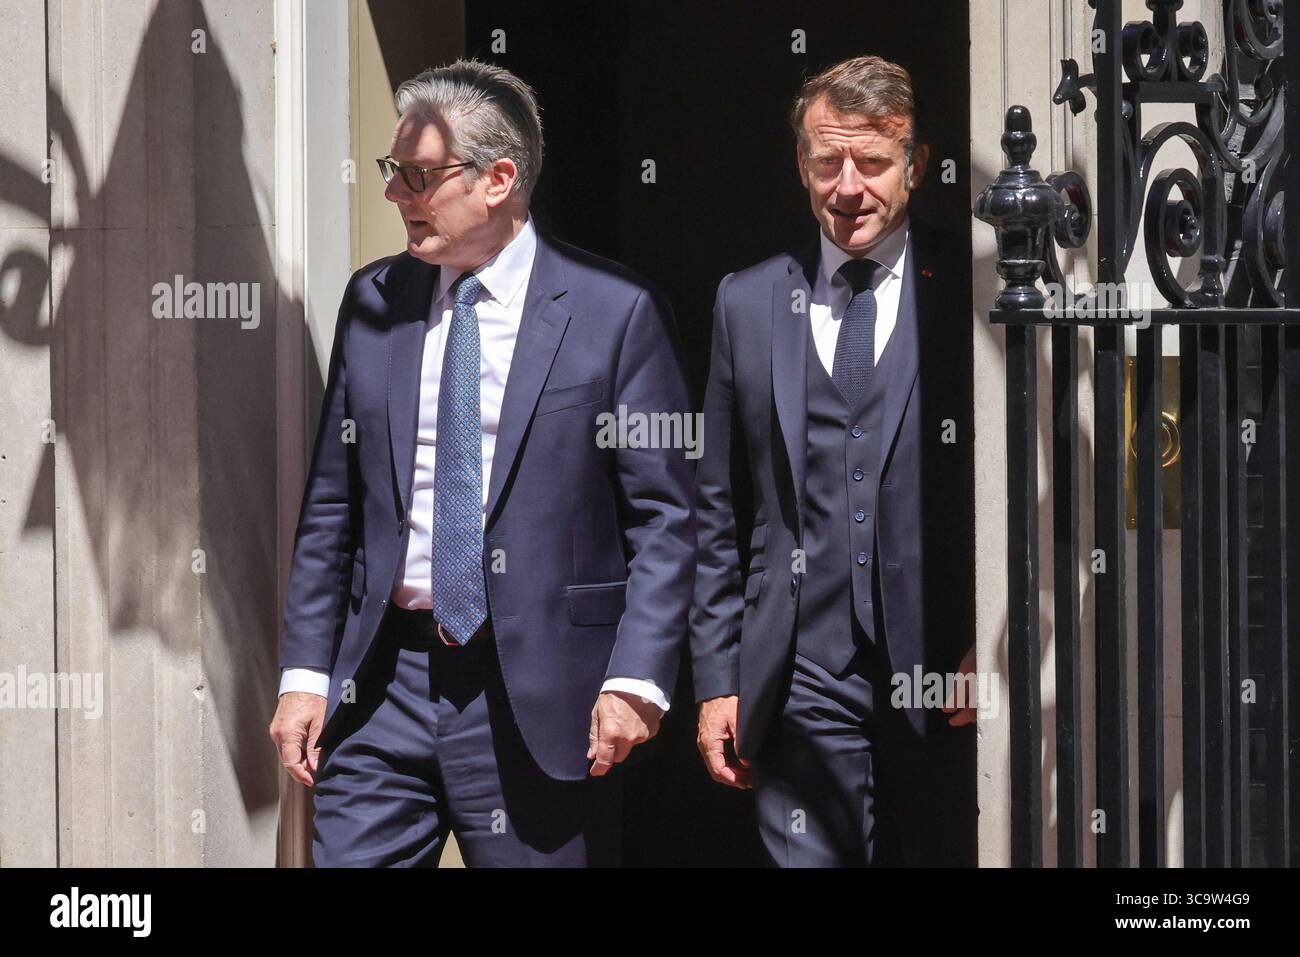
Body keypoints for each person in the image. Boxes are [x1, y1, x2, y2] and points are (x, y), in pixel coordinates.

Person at [268, 59, 695, 867]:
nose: (395, 193)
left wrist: (638, 677)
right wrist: (305, 672)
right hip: (383, 685)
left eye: (418, 176)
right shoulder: (374, 300)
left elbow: (667, 520)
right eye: (394, 171)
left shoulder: (615, 312)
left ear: (499, 179)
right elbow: (334, 505)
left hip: (539, 695)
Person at [691, 55, 977, 867]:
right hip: (801, 673)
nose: (848, 188)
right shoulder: (746, 301)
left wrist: (997, 639)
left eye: (875, 162)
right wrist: (718, 676)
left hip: (944, 675)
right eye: (828, 161)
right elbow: (716, 505)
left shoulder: (971, 287)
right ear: (802, 163)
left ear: (917, 165)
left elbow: (1033, 479)